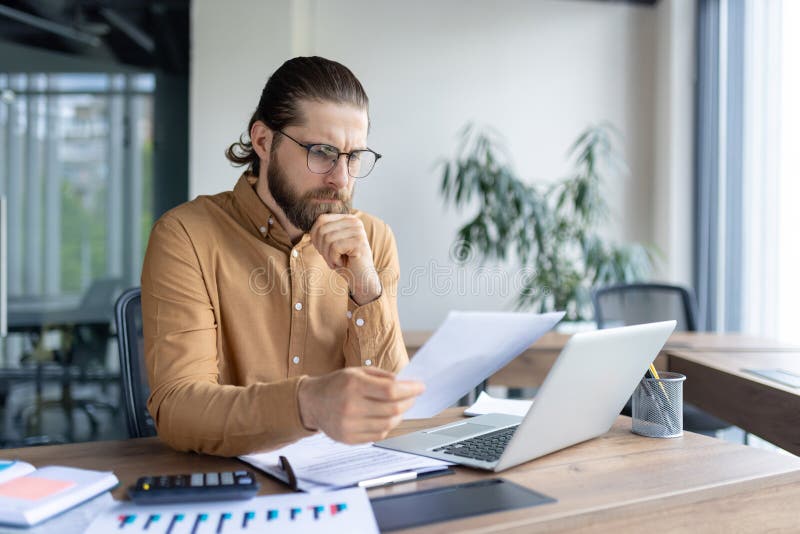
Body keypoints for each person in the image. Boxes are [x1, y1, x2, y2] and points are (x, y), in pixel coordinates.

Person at [141, 56, 424, 456]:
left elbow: (394, 414)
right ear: (262, 141)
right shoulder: (185, 236)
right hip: (229, 484)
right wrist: (307, 404)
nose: (342, 179)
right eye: (322, 152)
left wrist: (366, 289)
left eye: (354, 156)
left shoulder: (373, 239)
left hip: (345, 483)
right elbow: (178, 407)